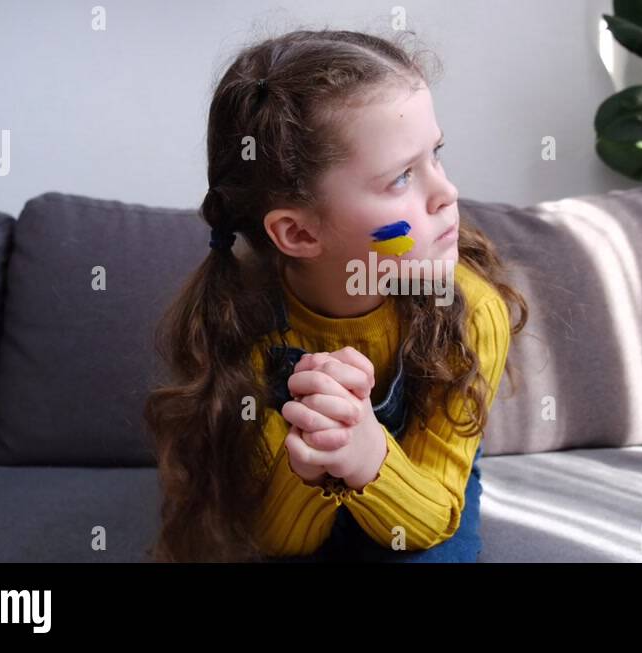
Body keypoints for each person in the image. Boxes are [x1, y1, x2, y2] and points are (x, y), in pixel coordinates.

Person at [145, 28, 528, 563]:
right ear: (299, 234)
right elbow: (279, 541)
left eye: (435, 155)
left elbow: (434, 516)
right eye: (401, 178)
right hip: (299, 503)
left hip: (418, 489)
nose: (447, 193)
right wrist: (316, 461)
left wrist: (370, 457)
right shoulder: (243, 325)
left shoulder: (468, 310)